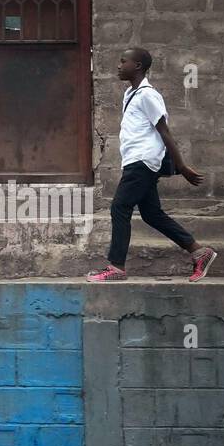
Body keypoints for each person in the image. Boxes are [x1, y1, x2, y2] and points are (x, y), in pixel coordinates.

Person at [86, 47, 214, 283]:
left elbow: (164, 131)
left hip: (143, 161)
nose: (118, 65)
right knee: (152, 214)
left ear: (137, 66)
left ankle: (116, 267)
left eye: (123, 61)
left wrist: (182, 167)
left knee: (119, 208)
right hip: (136, 159)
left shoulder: (148, 95)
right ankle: (199, 252)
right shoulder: (130, 93)